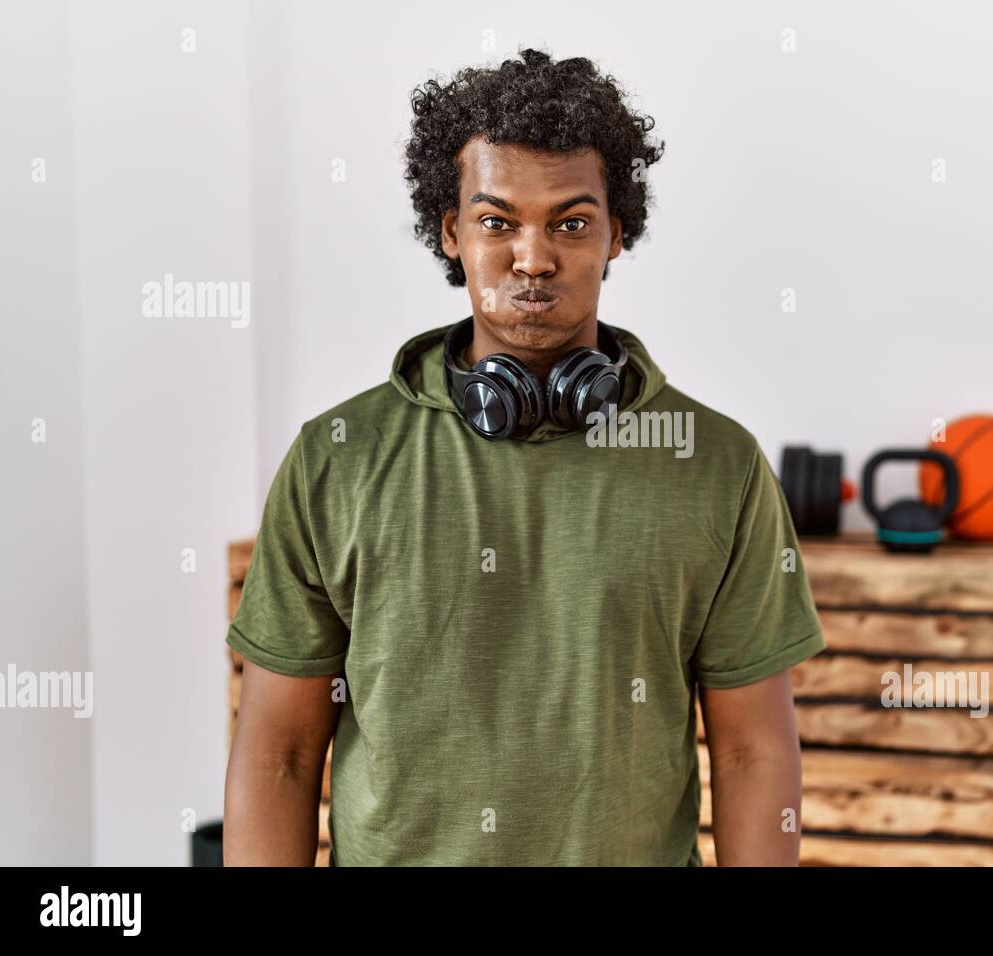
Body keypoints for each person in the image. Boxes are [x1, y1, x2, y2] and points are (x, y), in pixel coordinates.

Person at [223, 47, 826, 866]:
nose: (533, 258)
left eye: (571, 223)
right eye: (497, 221)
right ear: (450, 232)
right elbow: (279, 756)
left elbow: (754, 753)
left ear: (619, 233)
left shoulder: (717, 463)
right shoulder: (337, 458)